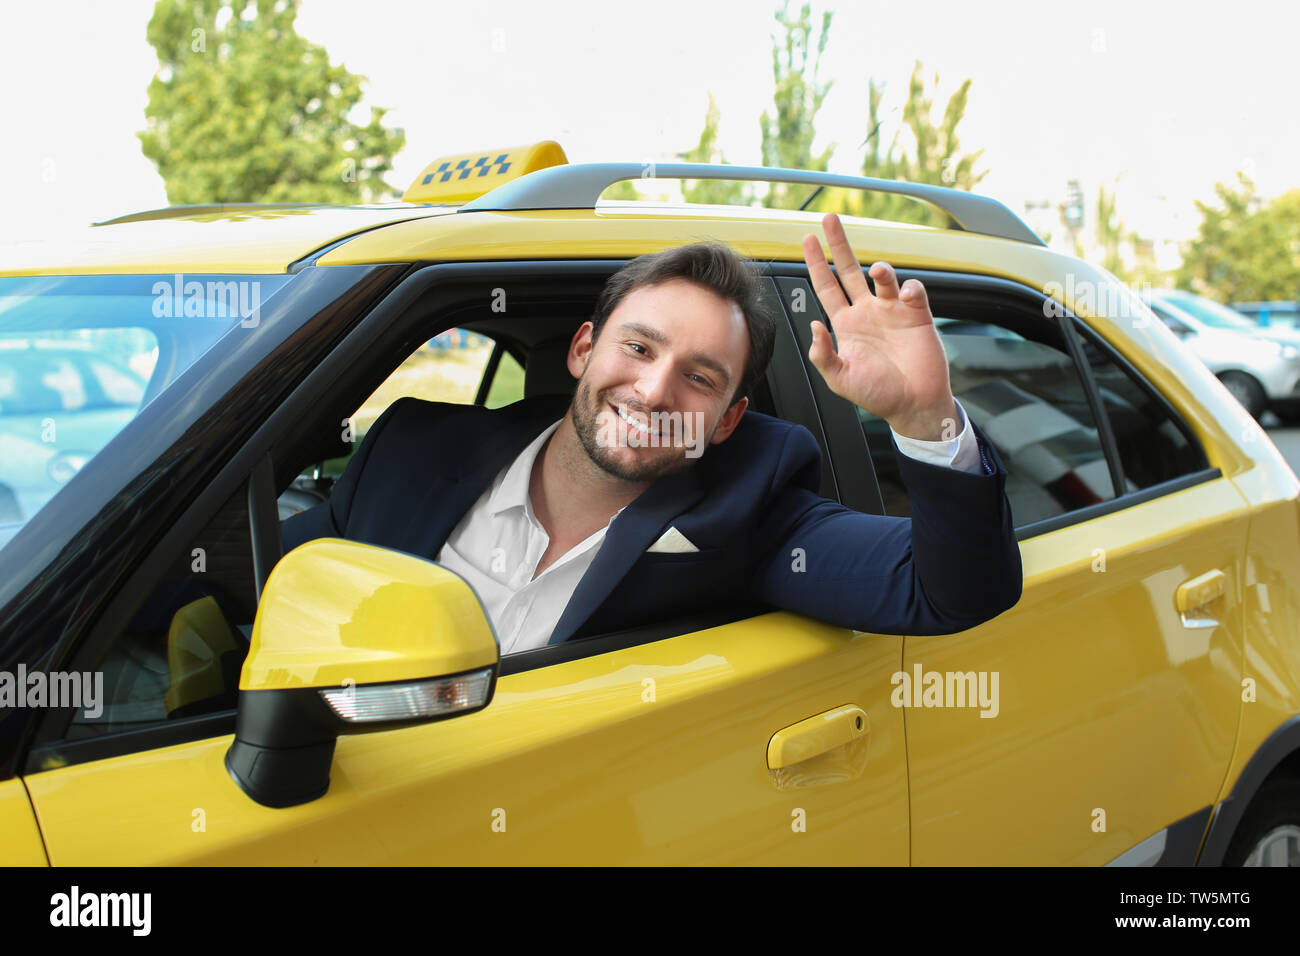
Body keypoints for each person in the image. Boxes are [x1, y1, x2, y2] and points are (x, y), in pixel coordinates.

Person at [281, 213, 1022, 653]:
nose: (655, 389)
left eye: (699, 377)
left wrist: (923, 418)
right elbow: (255, 588)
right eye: (638, 347)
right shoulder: (411, 451)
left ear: (728, 420)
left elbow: (951, 593)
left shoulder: (749, 516)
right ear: (583, 350)